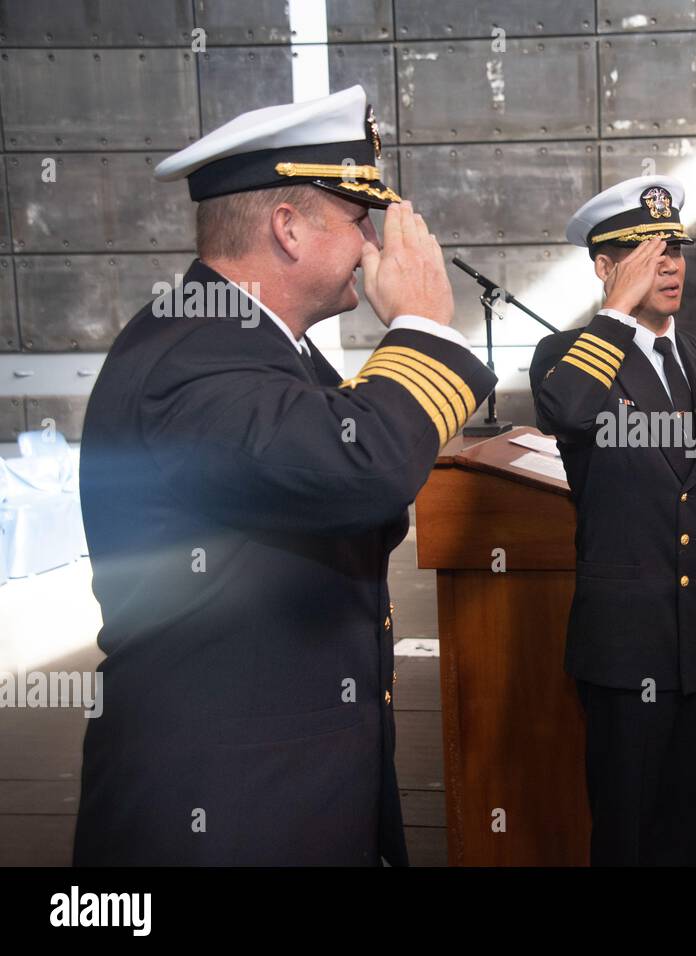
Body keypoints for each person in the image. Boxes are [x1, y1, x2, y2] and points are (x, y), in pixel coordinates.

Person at [73, 85, 496, 865]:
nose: (373, 243)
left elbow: (340, 497)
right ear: (289, 228)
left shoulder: (264, 346)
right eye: (356, 217)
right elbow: (361, 470)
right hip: (223, 807)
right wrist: (424, 327)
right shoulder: (192, 355)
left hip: (285, 787)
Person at [529, 175, 696, 865]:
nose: (670, 264)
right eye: (647, 251)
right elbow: (568, 412)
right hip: (627, 648)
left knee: (692, 834)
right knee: (628, 836)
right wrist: (616, 313)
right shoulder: (568, 358)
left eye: (676, 248)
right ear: (604, 266)